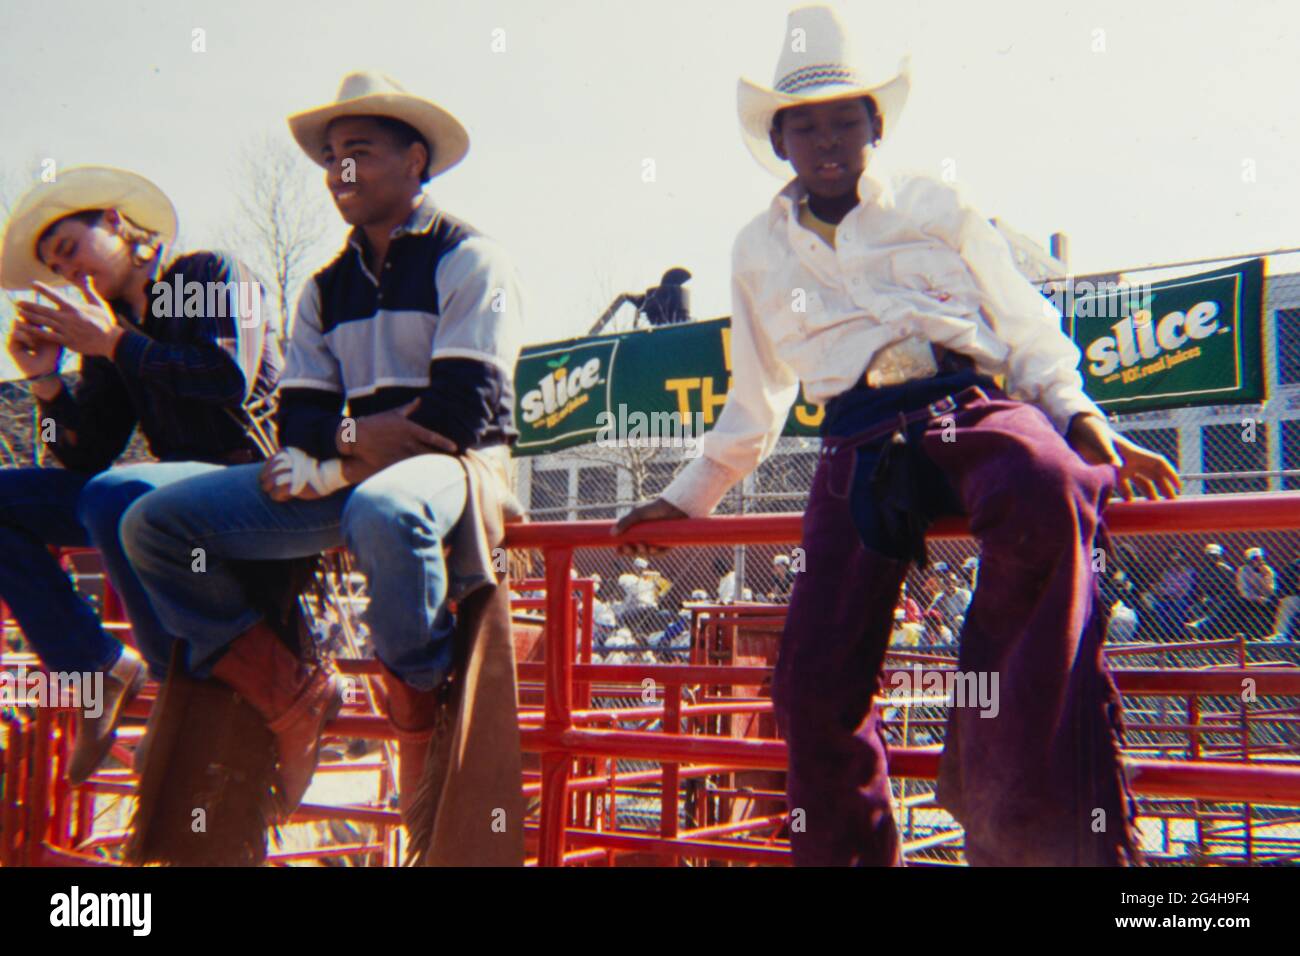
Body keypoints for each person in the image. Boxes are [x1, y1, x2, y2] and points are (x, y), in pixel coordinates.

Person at [613, 6, 1179, 865]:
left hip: (969, 403)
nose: (828, 139)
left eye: (846, 119)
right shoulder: (755, 250)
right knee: (812, 676)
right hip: (858, 440)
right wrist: (686, 496)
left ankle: (1012, 803)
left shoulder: (934, 204)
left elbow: (1022, 323)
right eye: (806, 125)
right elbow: (755, 399)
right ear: (781, 142)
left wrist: (1083, 417)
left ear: (876, 125)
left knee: (1049, 484)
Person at [120, 72, 524, 823]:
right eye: (332, 156)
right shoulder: (321, 288)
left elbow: (462, 414)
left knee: (379, 510)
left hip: (465, 473)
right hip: (360, 475)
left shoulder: (471, 259)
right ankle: (289, 689)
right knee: (153, 524)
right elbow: (300, 421)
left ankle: (420, 718)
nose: (341, 171)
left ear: (415, 161)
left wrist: (336, 453)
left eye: (361, 152)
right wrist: (348, 441)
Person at [0, 166, 281, 785]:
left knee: (115, 495)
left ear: (112, 222)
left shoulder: (204, 273)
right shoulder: (113, 327)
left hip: (253, 484)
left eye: (70, 250)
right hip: (168, 491)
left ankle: (171, 683)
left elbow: (228, 379)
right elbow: (83, 454)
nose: (71, 272)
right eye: (57, 266)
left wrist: (115, 346)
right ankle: (95, 666)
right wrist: (46, 383)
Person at [1236, 547, 1277, 638]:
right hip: (1250, 599)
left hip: (1267, 600)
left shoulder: (1268, 571)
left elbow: (1271, 591)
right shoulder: (1243, 571)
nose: (1259, 562)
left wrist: (1264, 577)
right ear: (1249, 561)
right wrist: (1257, 598)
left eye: (1260, 559)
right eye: (1255, 559)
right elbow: (1244, 591)